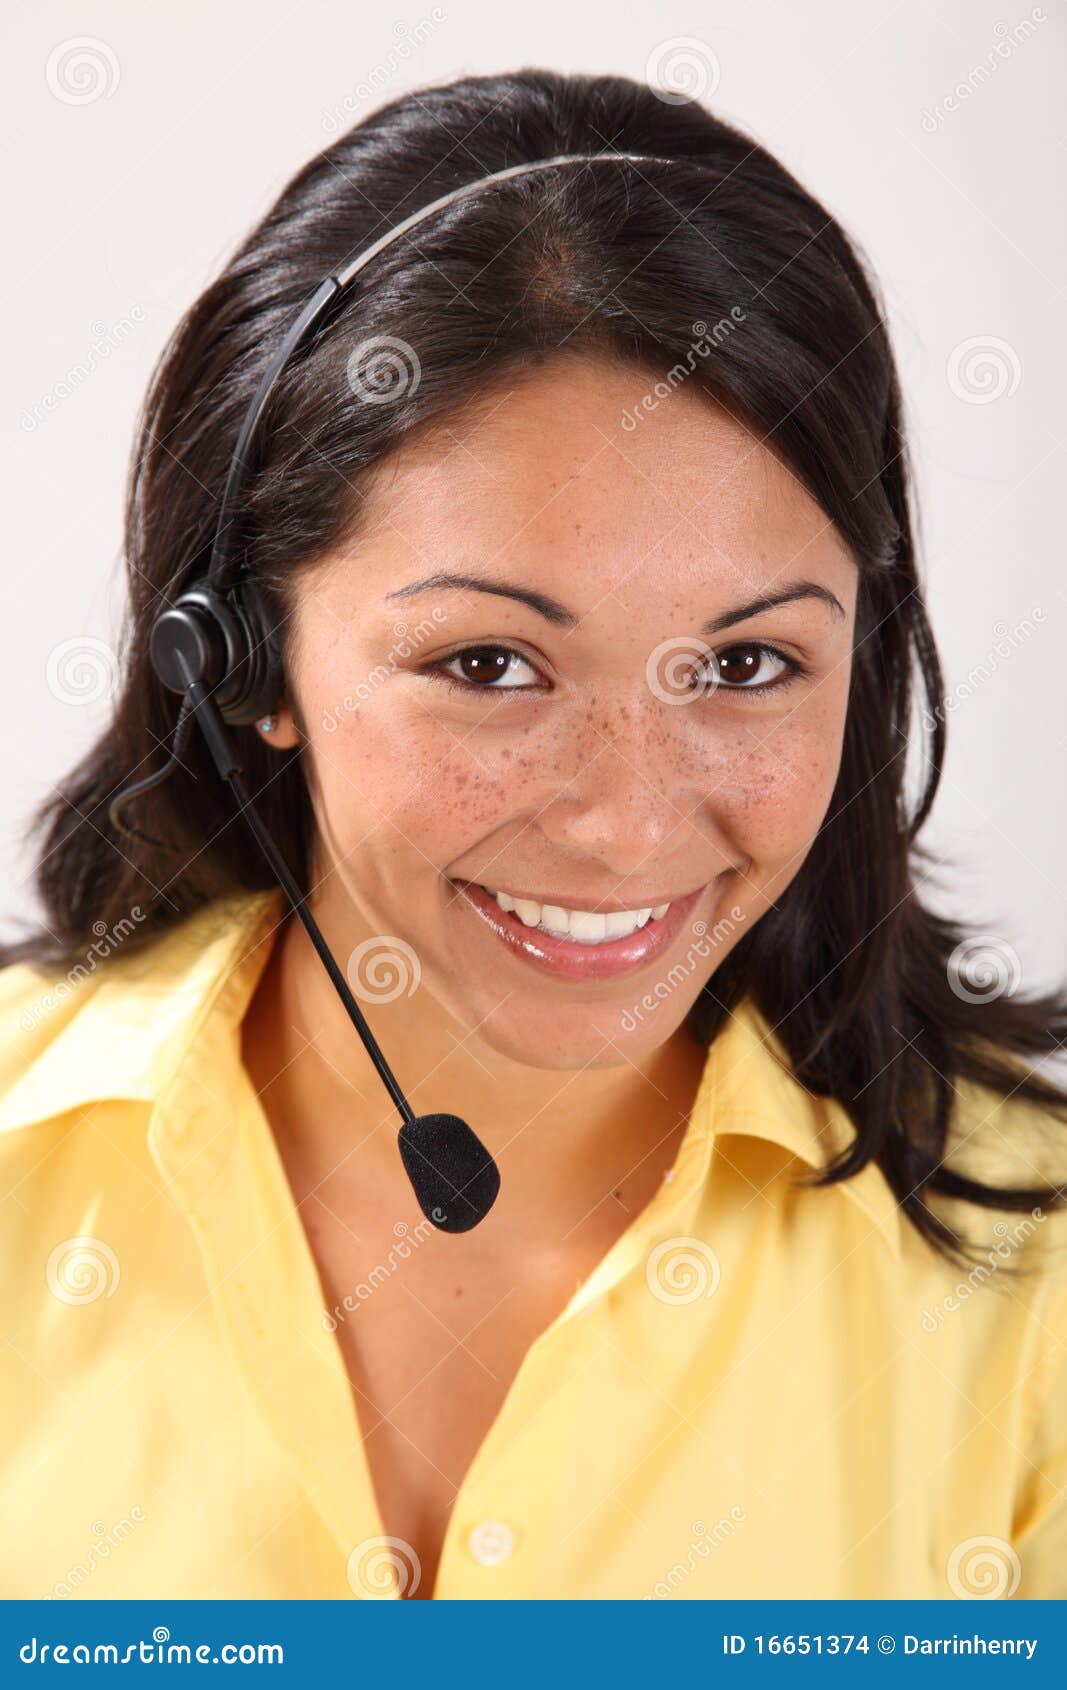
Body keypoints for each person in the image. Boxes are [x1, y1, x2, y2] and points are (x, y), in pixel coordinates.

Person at [1, 67, 1064, 1602]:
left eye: (745, 664)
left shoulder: (1037, 1298)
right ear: (245, 662)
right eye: (490, 664)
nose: (627, 823)